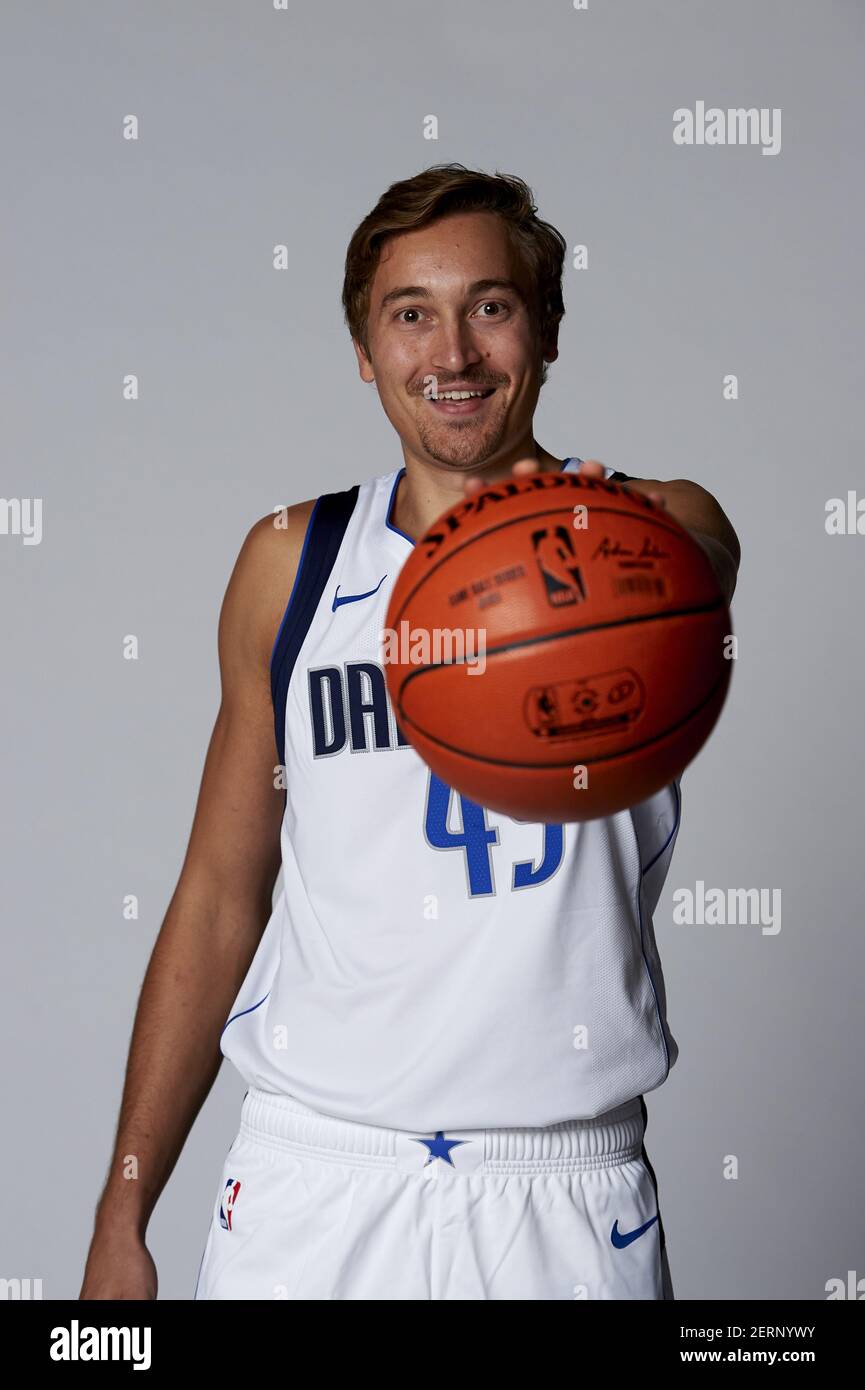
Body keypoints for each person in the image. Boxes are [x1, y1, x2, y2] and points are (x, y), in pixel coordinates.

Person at [80, 164, 740, 1301]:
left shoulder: (652, 541)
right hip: (314, 1177)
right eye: (410, 315)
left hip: (561, 1188)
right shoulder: (290, 565)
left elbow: (702, 547)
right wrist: (124, 1206)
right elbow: (220, 893)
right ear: (362, 347)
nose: (451, 355)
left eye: (489, 306)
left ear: (545, 329)